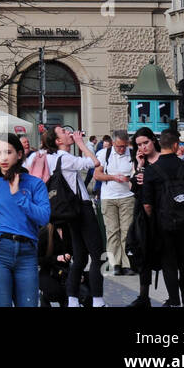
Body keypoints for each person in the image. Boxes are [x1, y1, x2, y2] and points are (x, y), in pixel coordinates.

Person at [25, 125, 107, 307]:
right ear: (58, 141)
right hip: (82, 208)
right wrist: (81, 143)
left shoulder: (49, 157)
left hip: (69, 212)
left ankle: (72, 300)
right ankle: (98, 300)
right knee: (97, 254)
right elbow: (94, 162)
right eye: (63, 131)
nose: (68, 132)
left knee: (80, 256)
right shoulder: (66, 158)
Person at [0, 132, 50, 307]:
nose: (3, 158)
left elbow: (43, 217)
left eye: (8, 152)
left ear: (19, 154)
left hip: (27, 254)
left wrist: (19, 196)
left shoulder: (35, 183)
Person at [143, 128, 184, 307]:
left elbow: (147, 204)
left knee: (168, 263)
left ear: (160, 145)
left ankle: (174, 301)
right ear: (176, 145)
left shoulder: (152, 170)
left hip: (163, 224)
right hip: (183, 225)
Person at [126, 127, 161, 307]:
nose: (143, 147)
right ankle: (143, 295)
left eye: (145, 143)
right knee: (141, 251)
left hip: (161, 212)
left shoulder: (162, 160)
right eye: (139, 145)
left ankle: (176, 297)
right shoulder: (140, 162)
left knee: (166, 254)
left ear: (153, 140)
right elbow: (132, 188)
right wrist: (139, 167)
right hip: (142, 213)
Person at [96, 131, 137, 275]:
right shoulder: (104, 154)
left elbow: (136, 173)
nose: (122, 149)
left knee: (127, 231)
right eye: (119, 146)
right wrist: (113, 177)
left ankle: (127, 264)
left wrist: (129, 178)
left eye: (124, 146)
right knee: (112, 232)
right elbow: (97, 175)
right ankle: (114, 264)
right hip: (108, 197)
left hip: (127, 196)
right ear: (113, 143)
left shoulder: (132, 153)